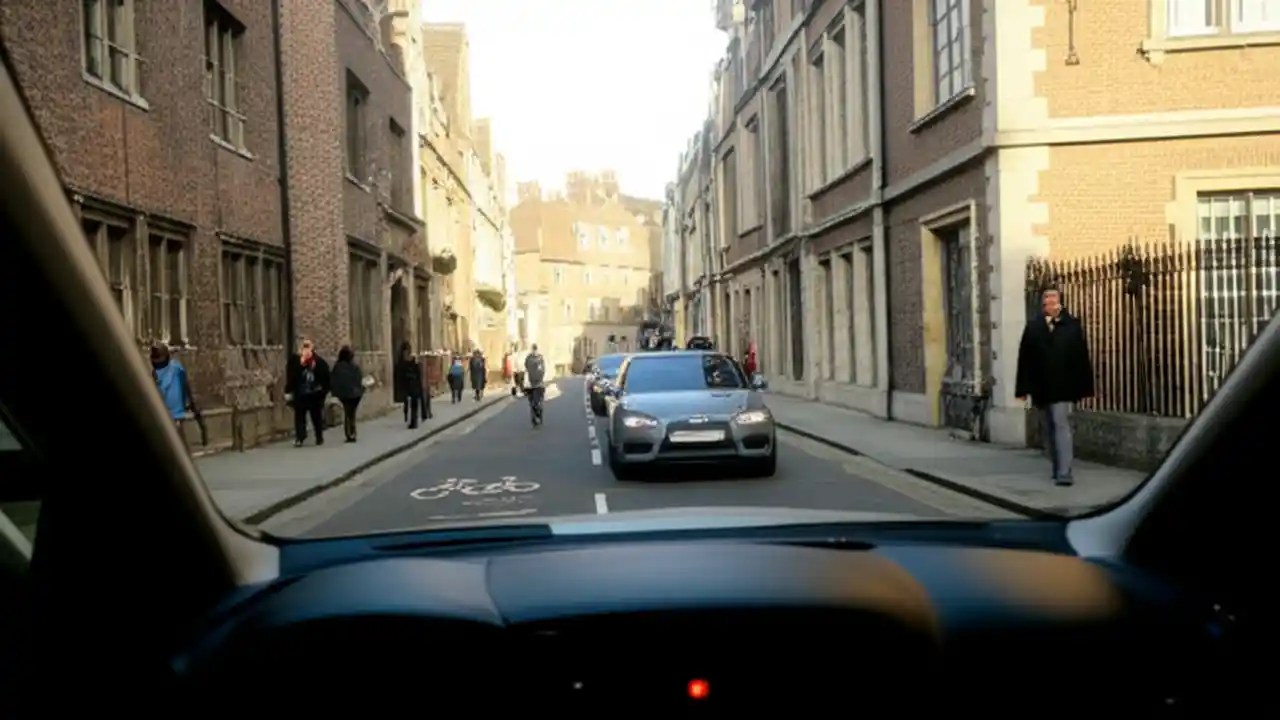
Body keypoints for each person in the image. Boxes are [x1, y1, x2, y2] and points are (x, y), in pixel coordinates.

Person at [1015, 287, 1095, 486]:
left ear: (1060, 303)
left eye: (1053, 301)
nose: (1049, 305)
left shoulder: (1071, 326)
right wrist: (1022, 390)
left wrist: (1085, 388)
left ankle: (1064, 472)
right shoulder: (1033, 327)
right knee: (1049, 428)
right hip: (1041, 387)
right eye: (1046, 301)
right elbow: (1025, 359)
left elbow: (1081, 358)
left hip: (1064, 386)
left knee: (1061, 424)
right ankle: (1056, 467)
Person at [285, 339, 330, 447]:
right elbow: (291, 377)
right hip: (301, 394)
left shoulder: (319, 362)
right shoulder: (296, 362)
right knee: (300, 417)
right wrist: (288, 391)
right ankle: (300, 437)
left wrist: (323, 391)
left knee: (316, 417)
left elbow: (326, 378)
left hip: (314, 395)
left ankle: (319, 437)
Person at [524, 343, 546, 426]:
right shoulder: (528, 358)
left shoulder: (540, 358)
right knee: (532, 402)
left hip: (538, 384)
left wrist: (540, 379)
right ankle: (534, 417)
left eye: (535, 349)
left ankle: (539, 413)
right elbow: (526, 367)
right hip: (530, 384)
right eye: (533, 349)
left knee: (536, 402)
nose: (534, 351)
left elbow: (542, 370)